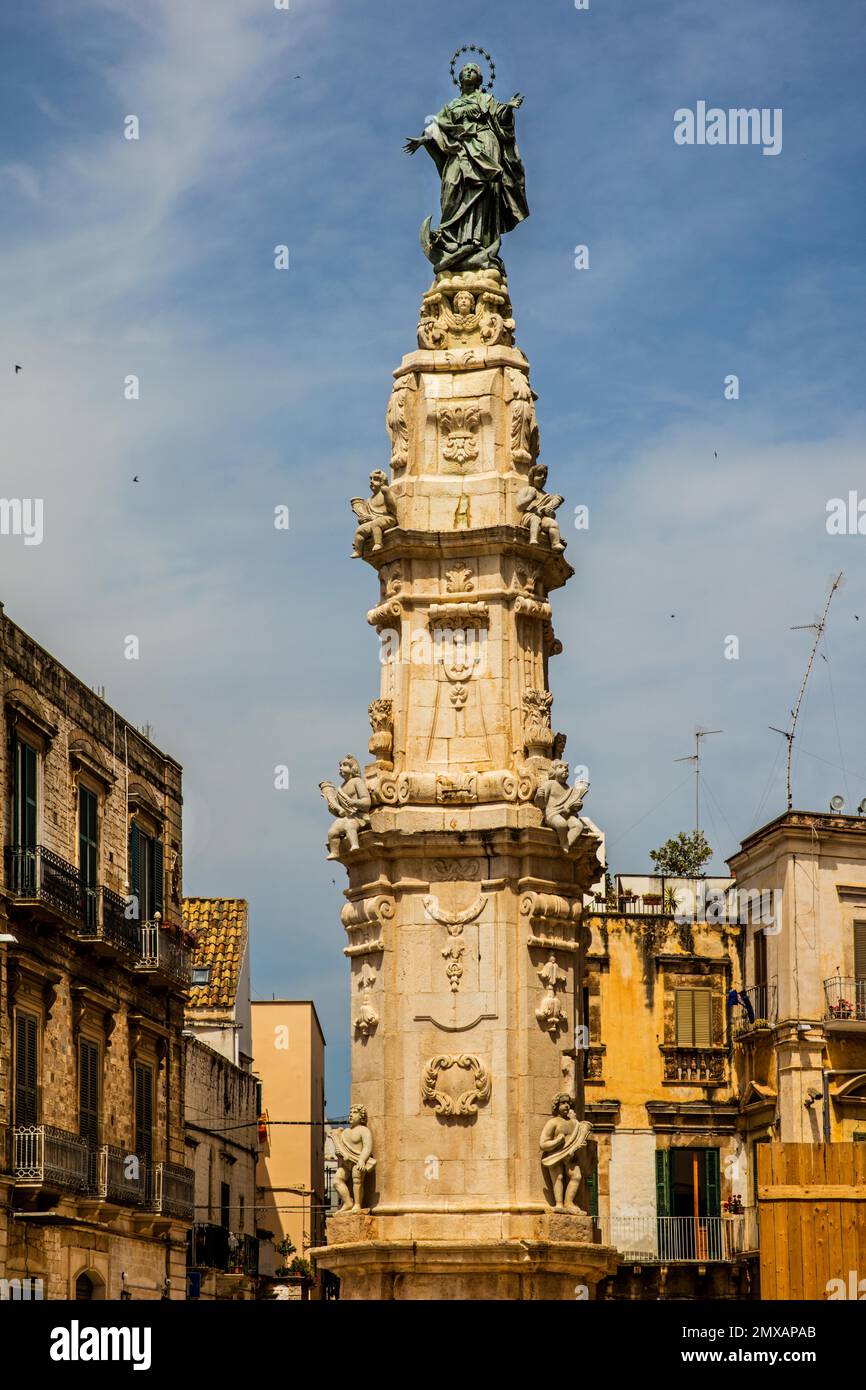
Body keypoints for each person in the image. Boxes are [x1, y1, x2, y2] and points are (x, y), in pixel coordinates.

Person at [405, 63, 528, 273]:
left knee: (484, 192)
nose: (469, 71)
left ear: (479, 79)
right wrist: (423, 139)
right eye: (466, 70)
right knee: (451, 186)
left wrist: (509, 108)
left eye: (474, 70)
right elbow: (438, 127)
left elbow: (501, 119)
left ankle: (478, 241)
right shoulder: (451, 106)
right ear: (460, 78)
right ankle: (450, 238)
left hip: (484, 144)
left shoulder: (486, 99)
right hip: (459, 149)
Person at [539, 1094, 592, 1212]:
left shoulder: (574, 1123)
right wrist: (557, 1141)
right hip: (555, 1155)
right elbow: (543, 1144)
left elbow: (577, 1137)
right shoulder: (553, 1123)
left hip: (571, 1155)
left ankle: (569, 1202)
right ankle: (559, 1204)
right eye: (563, 1103)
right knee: (558, 1178)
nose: (566, 1105)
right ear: (556, 1106)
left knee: (576, 1176)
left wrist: (580, 1144)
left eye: (568, 1103)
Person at [319, 756, 371, 858]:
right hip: (347, 816)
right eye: (340, 766)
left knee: (350, 825)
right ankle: (335, 852)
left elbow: (367, 802)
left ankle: (355, 845)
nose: (340, 768)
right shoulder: (340, 788)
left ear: (353, 768)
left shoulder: (357, 781)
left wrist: (354, 802)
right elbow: (339, 811)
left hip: (359, 816)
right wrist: (330, 805)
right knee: (332, 831)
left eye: (344, 765)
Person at [332, 1104, 376, 1212]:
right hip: (347, 1163)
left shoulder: (363, 1130)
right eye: (350, 1113)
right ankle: (348, 1202)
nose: (351, 1115)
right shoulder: (345, 1132)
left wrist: (361, 1160)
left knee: (357, 1179)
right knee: (336, 1181)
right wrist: (339, 1152)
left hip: (358, 1161)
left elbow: (367, 1147)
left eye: (354, 1113)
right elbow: (342, 1150)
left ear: (361, 1116)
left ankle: (357, 1204)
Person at [516, 464, 565, 550]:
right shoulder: (527, 490)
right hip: (529, 516)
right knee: (535, 520)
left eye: (545, 475)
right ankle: (533, 538)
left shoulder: (546, 495)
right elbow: (519, 507)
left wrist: (549, 512)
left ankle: (555, 543)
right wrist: (529, 498)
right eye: (539, 474)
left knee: (554, 524)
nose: (543, 477)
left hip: (542, 517)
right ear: (532, 477)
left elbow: (551, 514)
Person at [350, 470, 398, 557]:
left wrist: (387, 495)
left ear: (382, 481)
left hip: (388, 518)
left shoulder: (386, 493)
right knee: (360, 530)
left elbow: (393, 510)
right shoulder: (369, 500)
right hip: (374, 520)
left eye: (375, 479)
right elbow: (368, 516)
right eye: (371, 479)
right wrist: (363, 518)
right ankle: (358, 550)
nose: (371, 481)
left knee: (376, 524)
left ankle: (378, 543)